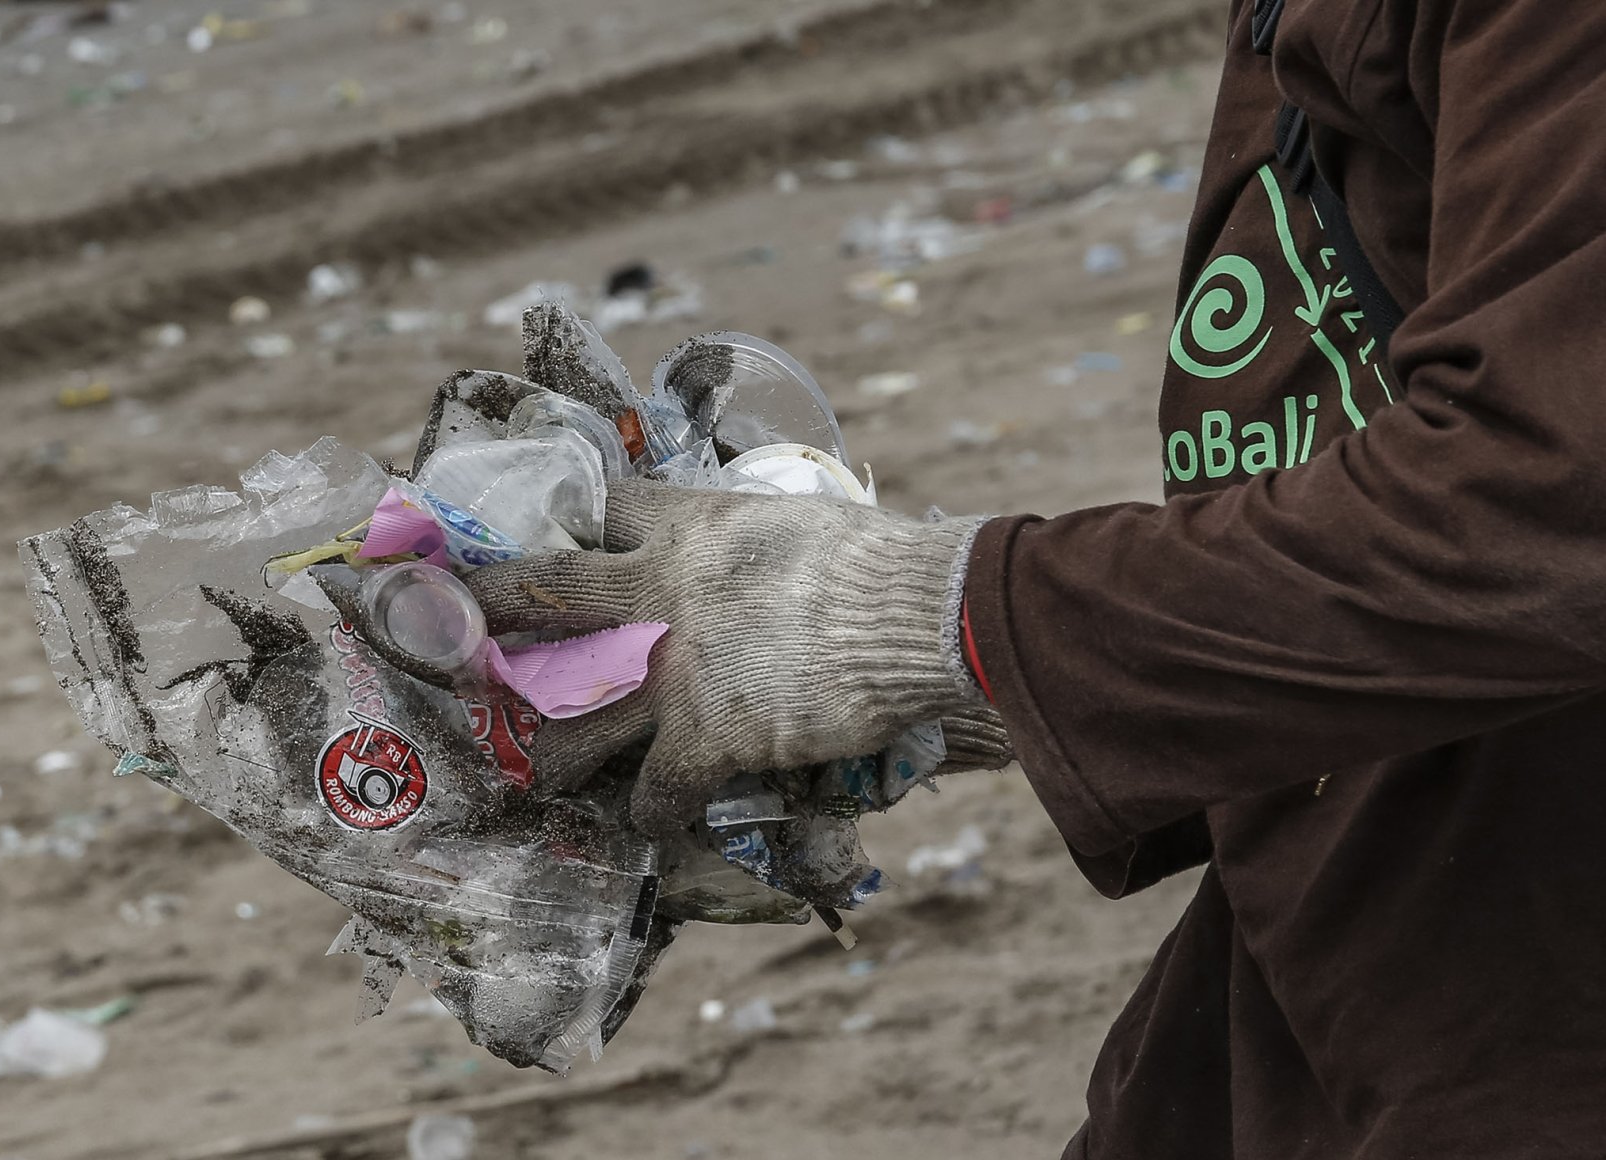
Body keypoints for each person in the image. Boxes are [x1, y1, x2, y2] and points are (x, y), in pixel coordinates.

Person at [465, 0, 1606, 1153]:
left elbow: (1547, 500)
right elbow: (1364, 447)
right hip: (1352, 885)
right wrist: (992, 683)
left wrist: (939, 622)